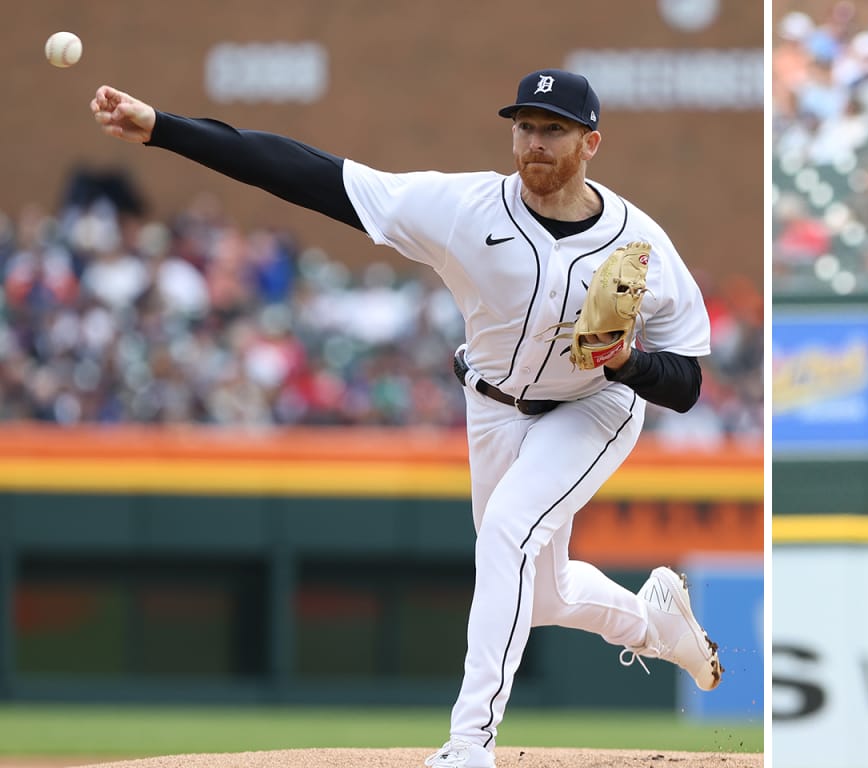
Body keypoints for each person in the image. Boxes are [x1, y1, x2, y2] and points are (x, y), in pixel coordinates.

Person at [91, 68, 723, 768]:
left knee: (508, 536)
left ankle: (469, 744)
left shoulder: (641, 245)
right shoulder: (465, 208)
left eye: (554, 130)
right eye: (524, 127)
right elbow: (309, 174)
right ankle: (653, 624)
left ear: (591, 143)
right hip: (491, 409)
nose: (534, 143)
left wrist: (625, 363)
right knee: (542, 591)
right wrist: (165, 130)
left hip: (592, 408)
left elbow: (688, 384)